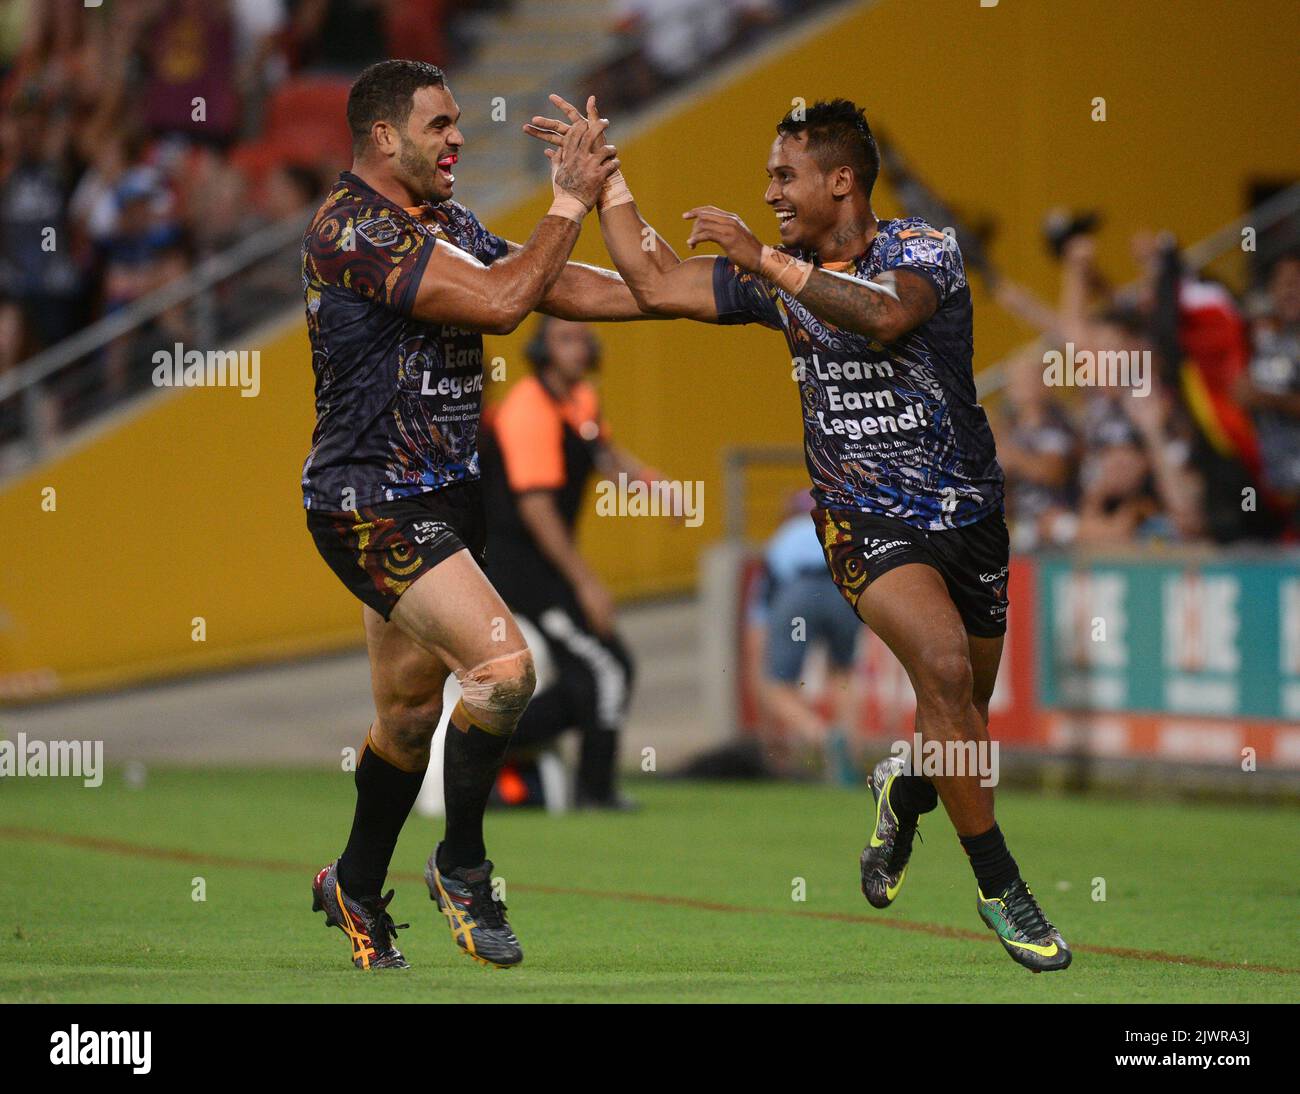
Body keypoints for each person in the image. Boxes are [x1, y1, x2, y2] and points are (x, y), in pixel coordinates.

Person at [527, 95, 1071, 971]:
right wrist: (609, 184)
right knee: (938, 672)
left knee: (961, 711)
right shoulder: (774, 273)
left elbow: (886, 315)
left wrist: (765, 259)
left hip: (968, 517)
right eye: (770, 179)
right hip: (863, 522)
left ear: (842, 181)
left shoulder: (923, 250)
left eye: (786, 176)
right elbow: (657, 282)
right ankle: (1004, 888)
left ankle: (907, 787)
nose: (771, 192)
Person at [303, 60, 654, 971]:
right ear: (384, 136)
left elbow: (546, 282)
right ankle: (462, 865)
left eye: (458, 123)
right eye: (441, 125)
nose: (459, 138)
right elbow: (505, 305)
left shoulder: (445, 223)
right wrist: (568, 201)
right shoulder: (350, 229)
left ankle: (352, 881)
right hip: (371, 502)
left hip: (443, 501)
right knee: (502, 672)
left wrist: (688, 297)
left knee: (410, 718)